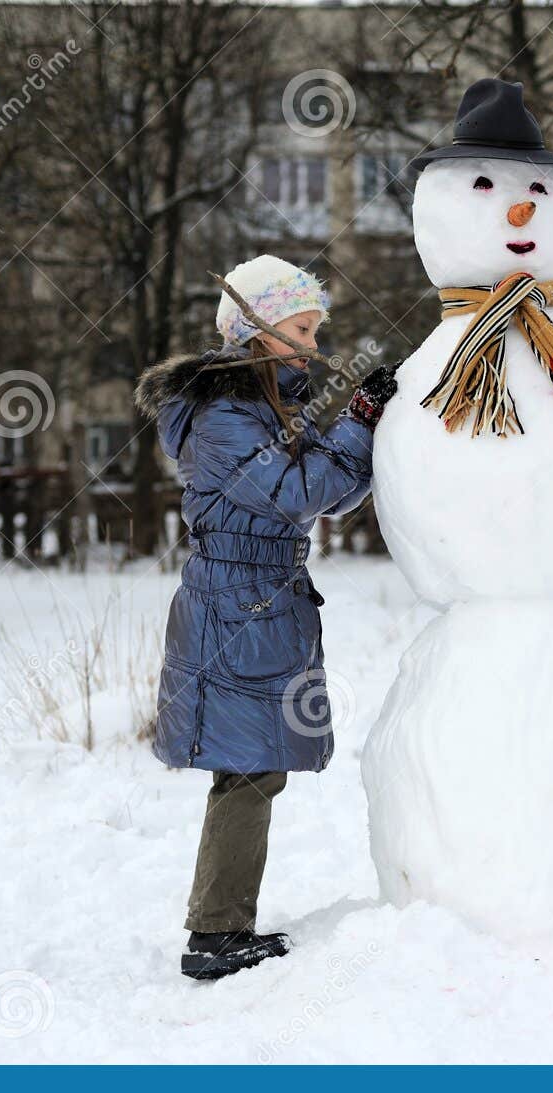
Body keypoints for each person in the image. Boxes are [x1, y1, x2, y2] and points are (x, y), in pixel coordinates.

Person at [134, 254, 396, 980]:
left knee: (256, 768)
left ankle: (220, 927)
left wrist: (365, 427)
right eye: (300, 329)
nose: (313, 344)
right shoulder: (225, 416)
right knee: (248, 769)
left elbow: (332, 493)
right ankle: (216, 935)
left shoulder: (266, 407)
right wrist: (357, 426)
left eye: (316, 329)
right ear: (254, 331)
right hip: (236, 605)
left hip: (261, 598)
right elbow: (299, 490)